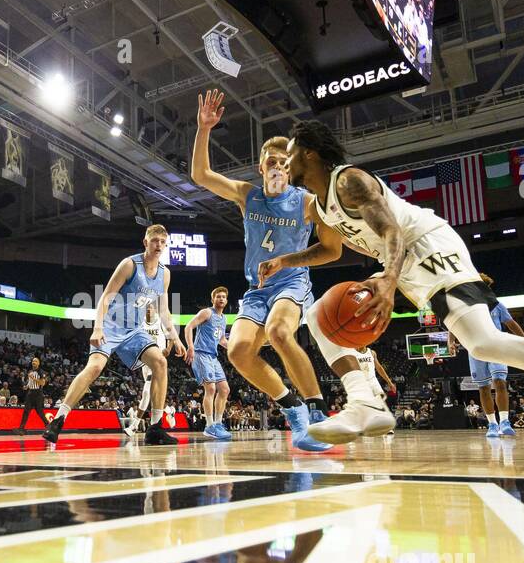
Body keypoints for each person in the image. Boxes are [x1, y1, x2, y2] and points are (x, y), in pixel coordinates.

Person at [272, 119, 524, 462]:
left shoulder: (349, 182)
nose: (284, 162)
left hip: (425, 246)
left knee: (485, 343)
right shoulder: (320, 202)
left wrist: (390, 279)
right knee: (318, 316)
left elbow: (392, 230)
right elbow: (329, 249)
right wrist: (284, 262)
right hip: (402, 264)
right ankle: (366, 402)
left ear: (309, 153)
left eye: (288, 153)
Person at [190, 89, 330, 452]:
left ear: (291, 168)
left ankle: (317, 413)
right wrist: (204, 128)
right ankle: (293, 409)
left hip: (292, 282)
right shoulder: (247, 195)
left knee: (280, 332)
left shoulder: (306, 201)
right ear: (262, 167)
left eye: (285, 162)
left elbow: (330, 250)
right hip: (257, 290)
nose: (278, 168)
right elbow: (201, 174)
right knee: (237, 352)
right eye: (272, 162)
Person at [43, 224, 183, 446]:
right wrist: (97, 327)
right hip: (111, 326)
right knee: (95, 367)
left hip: (135, 330)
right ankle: (58, 419)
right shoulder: (129, 265)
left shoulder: (165, 274)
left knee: (160, 363)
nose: (158, 245)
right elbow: (106, 297)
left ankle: (155, 427)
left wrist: (174, 336)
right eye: (155, 240)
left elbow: (163, 309)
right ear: (145, 242)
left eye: (162, 242)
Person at [446, 273, 524, 438]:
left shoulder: (496, 305)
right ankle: (492, 424)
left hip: (497, 347)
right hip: (475, 348)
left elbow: (511, 323)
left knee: (500, 382)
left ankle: (504, 421)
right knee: (483, 387)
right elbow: (454, 323)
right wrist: (450, 341)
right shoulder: (465, 305)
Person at [184, 286, 232, 440]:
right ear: (213, 299)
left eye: (224, 296)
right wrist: (190, 347)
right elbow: (188, 326)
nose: (221, 299)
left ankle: (217, 424)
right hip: (200, 354)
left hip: (213, 356)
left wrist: (235, 348)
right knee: (210, 388)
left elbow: (222, 340)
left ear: (226, 300)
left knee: (224, 390)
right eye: (218, 296)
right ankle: (209, 426)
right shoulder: (207, 312)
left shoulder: (223, 318)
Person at [17, 358, 48, 436]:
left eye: (36, 361)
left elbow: (42, 383)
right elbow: (30, 382)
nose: (34, 362)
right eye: (33, 361)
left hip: (38, 393)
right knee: (26, 411)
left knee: (39, 412)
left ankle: (48, 425)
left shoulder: (41, 372)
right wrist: (26, 387)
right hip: (30, 392)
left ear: (39, 363)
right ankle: (21, 429)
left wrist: (34, 378)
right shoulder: (30, 371)